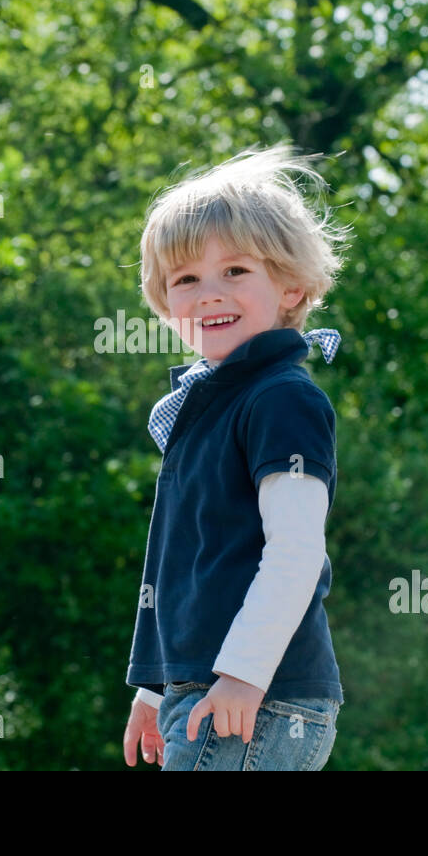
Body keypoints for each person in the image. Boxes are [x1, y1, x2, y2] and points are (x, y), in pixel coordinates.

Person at [122, 143, 352, 770]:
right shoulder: (208, 404)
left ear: (291, 285)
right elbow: (191, 565)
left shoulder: (280, 398)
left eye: (236, 272)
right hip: (209, 687)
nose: (208, 294)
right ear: (165, 302)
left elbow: (296, 553)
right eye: (186, 279)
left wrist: (246, 676)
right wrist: (155, 684)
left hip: (261, 693)